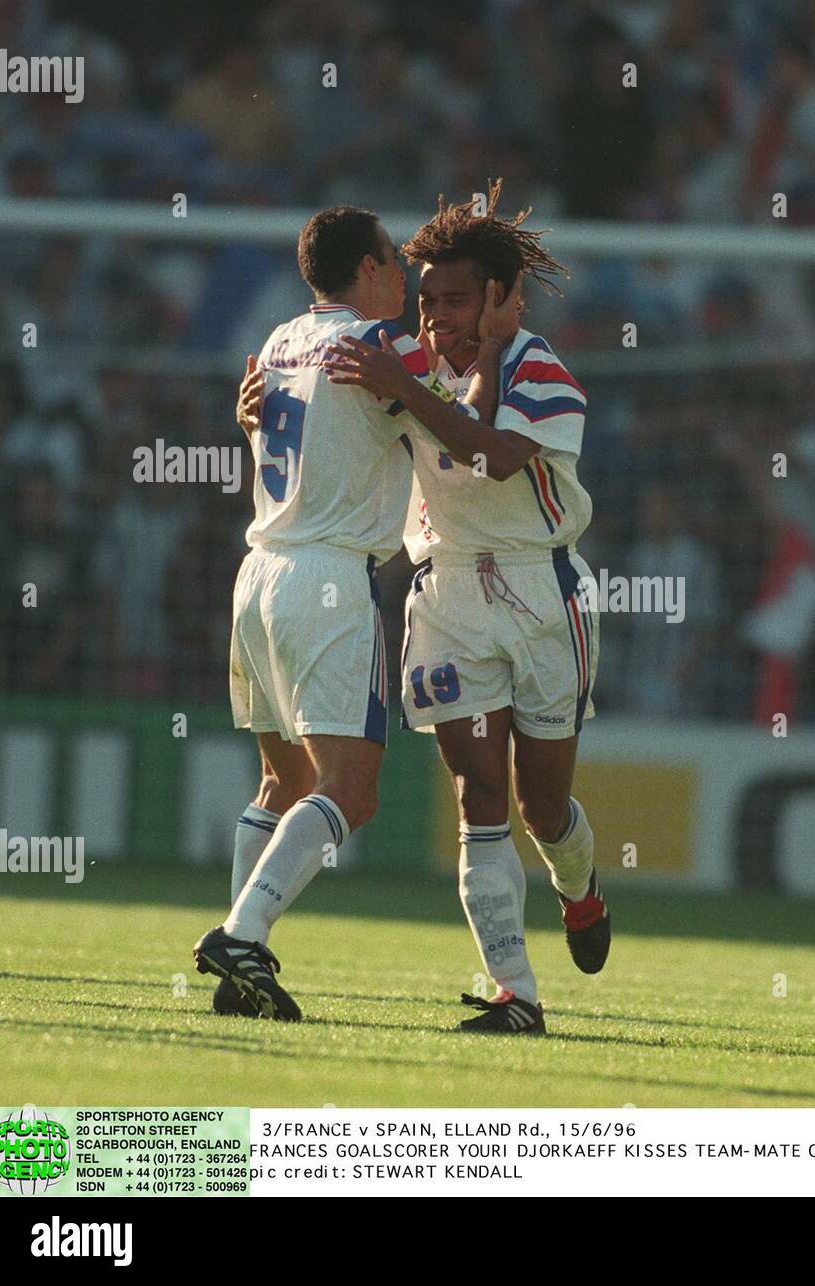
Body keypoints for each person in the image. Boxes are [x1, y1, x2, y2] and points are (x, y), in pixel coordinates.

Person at [314, 181, 609, 1036]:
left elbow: (493, 456)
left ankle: (580, 889)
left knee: (541, 808)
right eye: (428, 298)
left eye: (455, 299)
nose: (436, 315)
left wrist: (407, 391)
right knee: (478, 794)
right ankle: (516, 993)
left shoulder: (540, 368)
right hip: (444, 593)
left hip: (539, 593)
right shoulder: (405, 363)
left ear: (500, 297)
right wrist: (252, 408)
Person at [198, 206, 501, 1021]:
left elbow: (276, 424)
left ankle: (240, 975)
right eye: (395, 266)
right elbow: (466, 427)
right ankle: (244, 936)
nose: (407, 283)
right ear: (365, 270)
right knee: (350, 792)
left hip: (258, 571)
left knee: (282, 777)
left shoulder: (276, 341)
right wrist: (497, 345)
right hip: (330, 579)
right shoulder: (383, 345)